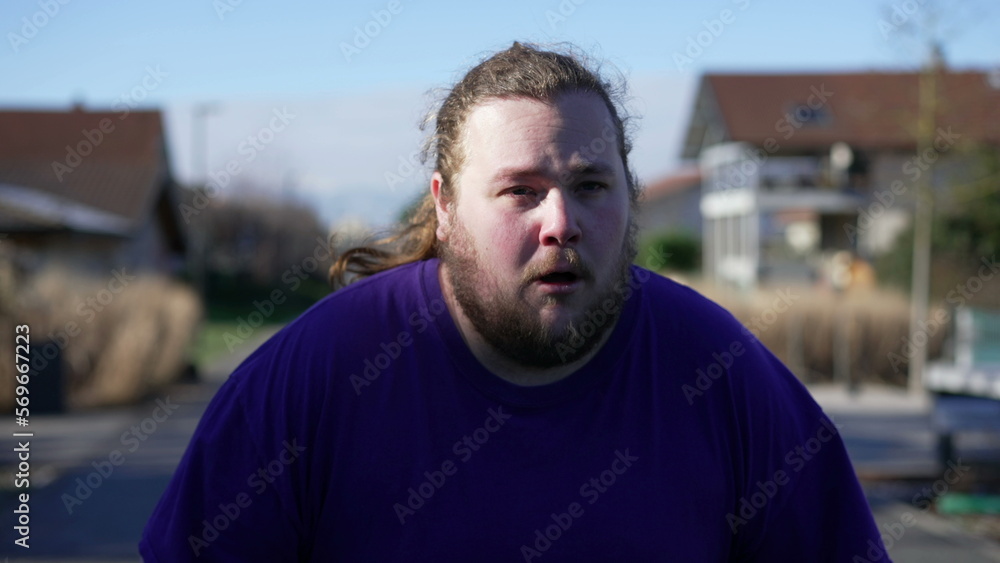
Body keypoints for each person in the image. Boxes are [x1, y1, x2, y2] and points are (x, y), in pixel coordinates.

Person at [141, 42, 889, 562]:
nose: (561, 222)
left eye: (590, 185)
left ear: (629, 195)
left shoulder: (721, 371)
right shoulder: (318, 372)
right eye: (520, 191)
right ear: (445, 207)